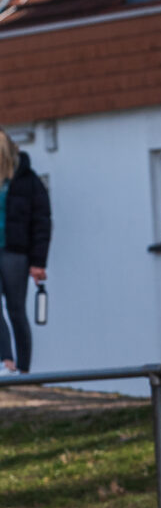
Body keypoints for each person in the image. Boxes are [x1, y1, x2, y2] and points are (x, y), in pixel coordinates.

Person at [0, 130, 50, 376]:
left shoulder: (28, 181)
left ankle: (24, 368)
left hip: (15, 254)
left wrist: (38, 262)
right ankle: (5, 360)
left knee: (16, 309)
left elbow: (41, 222)